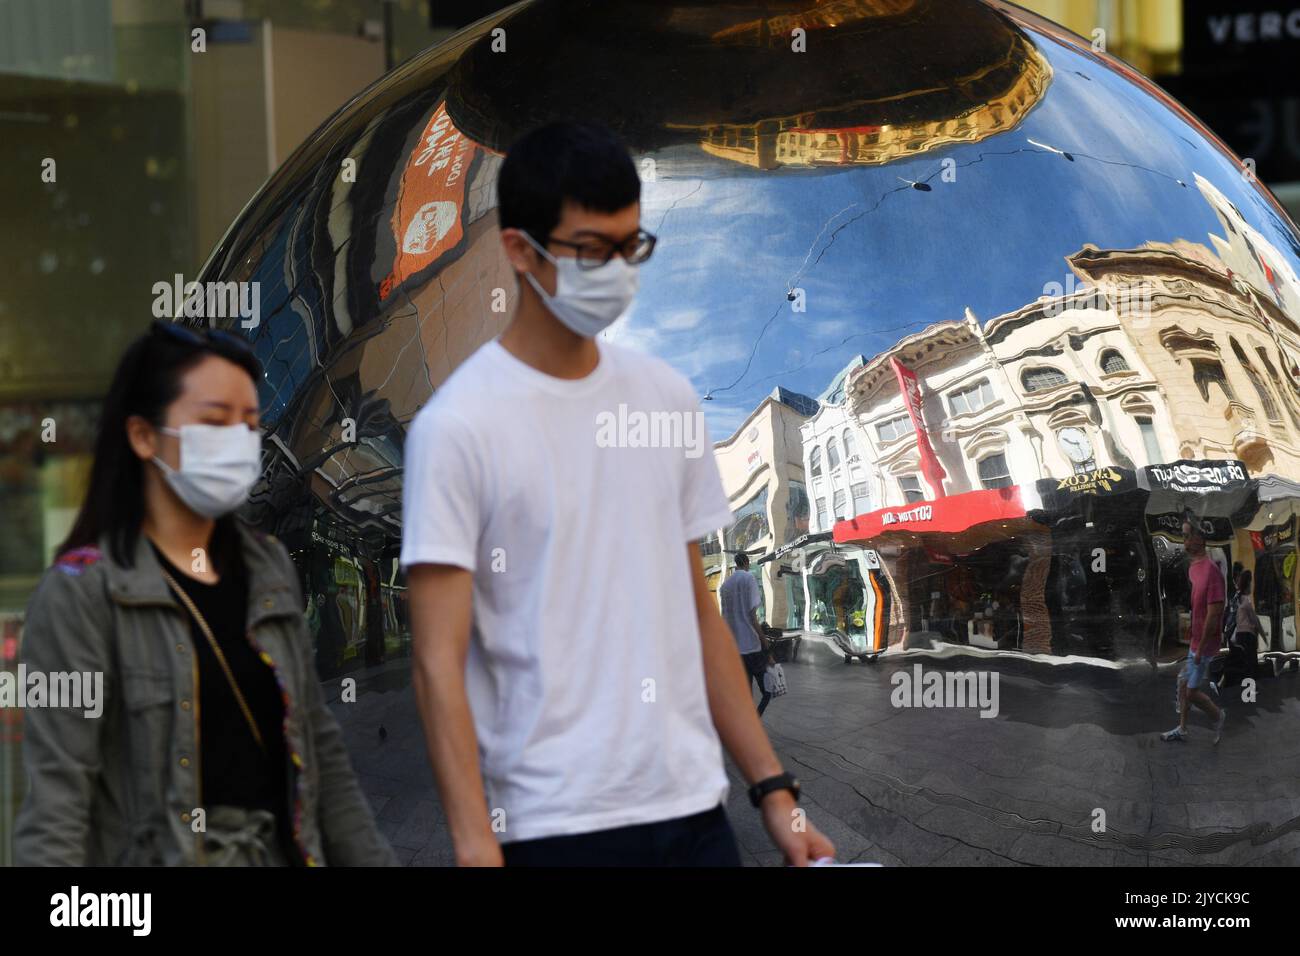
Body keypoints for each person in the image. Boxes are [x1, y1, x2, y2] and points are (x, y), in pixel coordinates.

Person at [402, 121, 835, 867]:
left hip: (693, 814)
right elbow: (437, 661)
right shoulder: (458, 427)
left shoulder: (663, 399)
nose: (616, 271)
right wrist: (475, 843)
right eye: (590, 252)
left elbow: (696, 610)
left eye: (630, 247)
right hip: (550, 827)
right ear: (519, 251)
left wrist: (774, 792)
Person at [13, 322, 395, 866]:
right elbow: (59, 812)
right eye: (215, 421)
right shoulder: (81, 596)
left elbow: (321, 753)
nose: (238, 441)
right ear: (144, 436)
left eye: (249, 424)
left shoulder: (267, 568)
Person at [1161, 521, 1227, 744]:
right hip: (1195, 642)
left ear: (1200, 538)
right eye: (1183, 535)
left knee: (1190, 693)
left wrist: (1200, 648)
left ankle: (1219, 716)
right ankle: (1182, 728)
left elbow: (1214, 613)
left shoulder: (1211, 571)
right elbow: (1198, 608)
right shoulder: (1193, 568)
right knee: (1182, 683)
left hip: (1205, 646)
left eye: (1188, 535)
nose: (1185, 540)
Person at [719, 551, 772, 716]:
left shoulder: (725, 586)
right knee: (767, 692)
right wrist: (765, 642)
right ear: (747, 563)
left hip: (735, 651)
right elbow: (752, 617)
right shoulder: (748, 578)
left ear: (736, 563)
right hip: (752, 648)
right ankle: (754, 723)